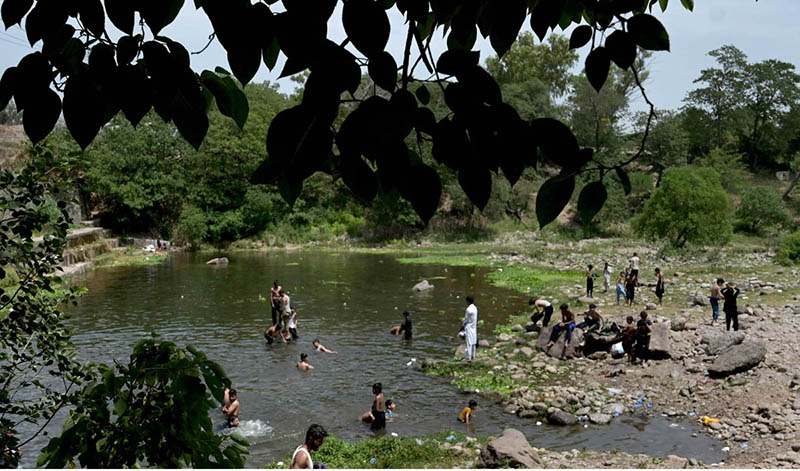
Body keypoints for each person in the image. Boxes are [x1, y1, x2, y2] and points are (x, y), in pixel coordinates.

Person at [461, 296, 478, 361]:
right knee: (473, 341)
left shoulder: (468, 309)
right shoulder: (475, 308)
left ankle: (468, 357)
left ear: (468, 301)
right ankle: (473, 356)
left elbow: (466, 319)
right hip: (474, 326)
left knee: (469, 342)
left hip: (468, 327)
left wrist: (462, 326)